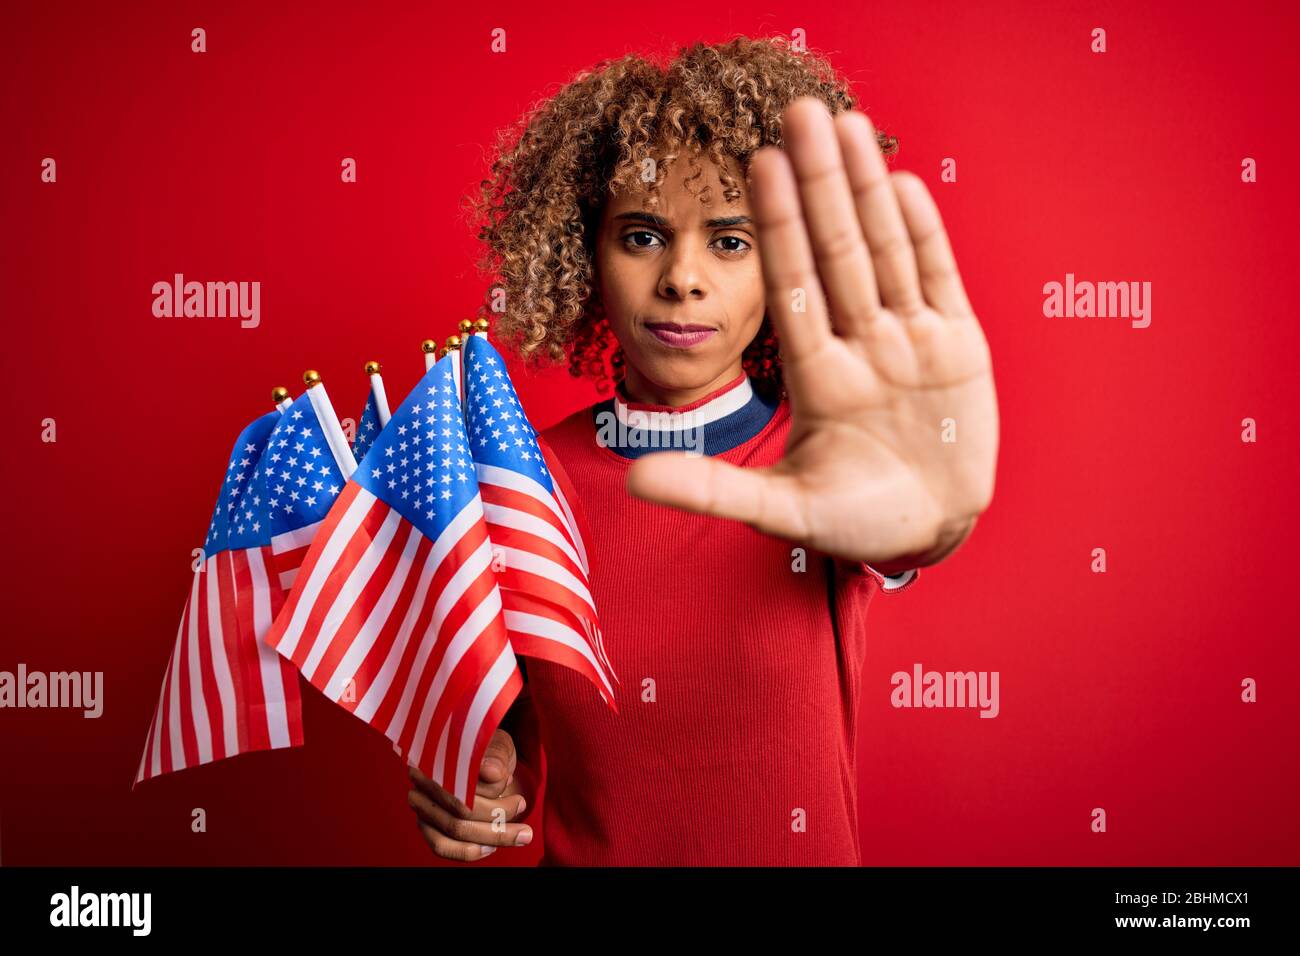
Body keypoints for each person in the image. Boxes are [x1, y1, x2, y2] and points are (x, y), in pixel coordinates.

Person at [406, 35, 998, 865]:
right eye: (643, 236)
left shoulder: (826, 457)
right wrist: (479, 782)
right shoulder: (515, 483)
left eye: (730, 240)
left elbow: (903, 528)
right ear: (585, 255)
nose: (683, 277)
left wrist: (932, 517)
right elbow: (505, 742)